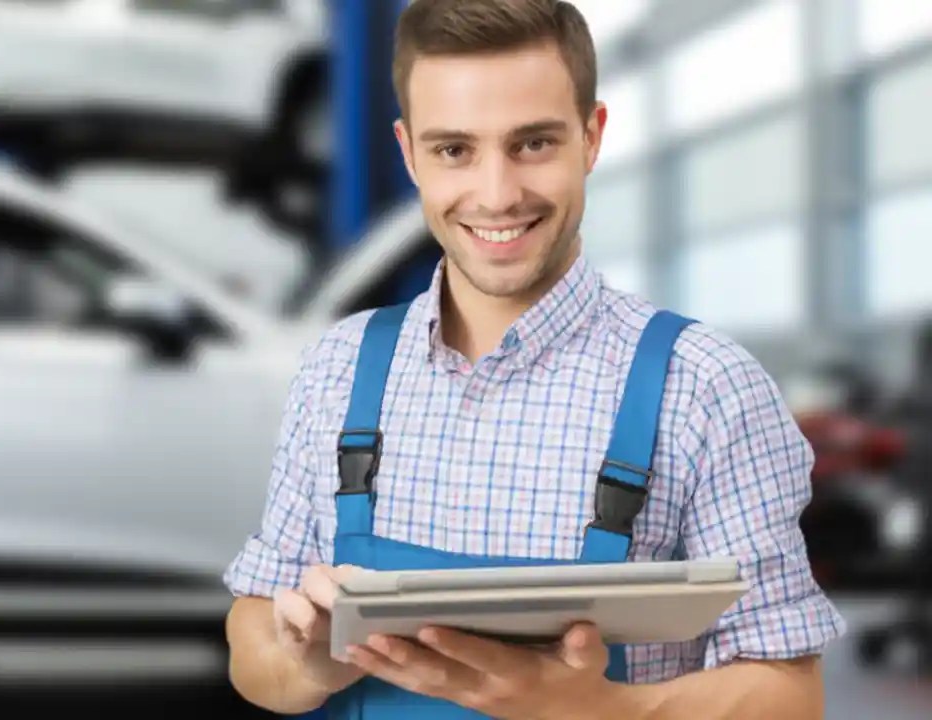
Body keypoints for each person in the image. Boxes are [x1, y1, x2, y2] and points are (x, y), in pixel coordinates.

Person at [221, 1, 846, 718]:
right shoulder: (339, 367)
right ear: (409, 153)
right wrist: (308, 662)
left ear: (591, 136)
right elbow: (253, 639)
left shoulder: (707, 387)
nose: (497, 195)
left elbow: (791, 697)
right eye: (455, 149)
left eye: (534, 145)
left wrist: (601, 710)